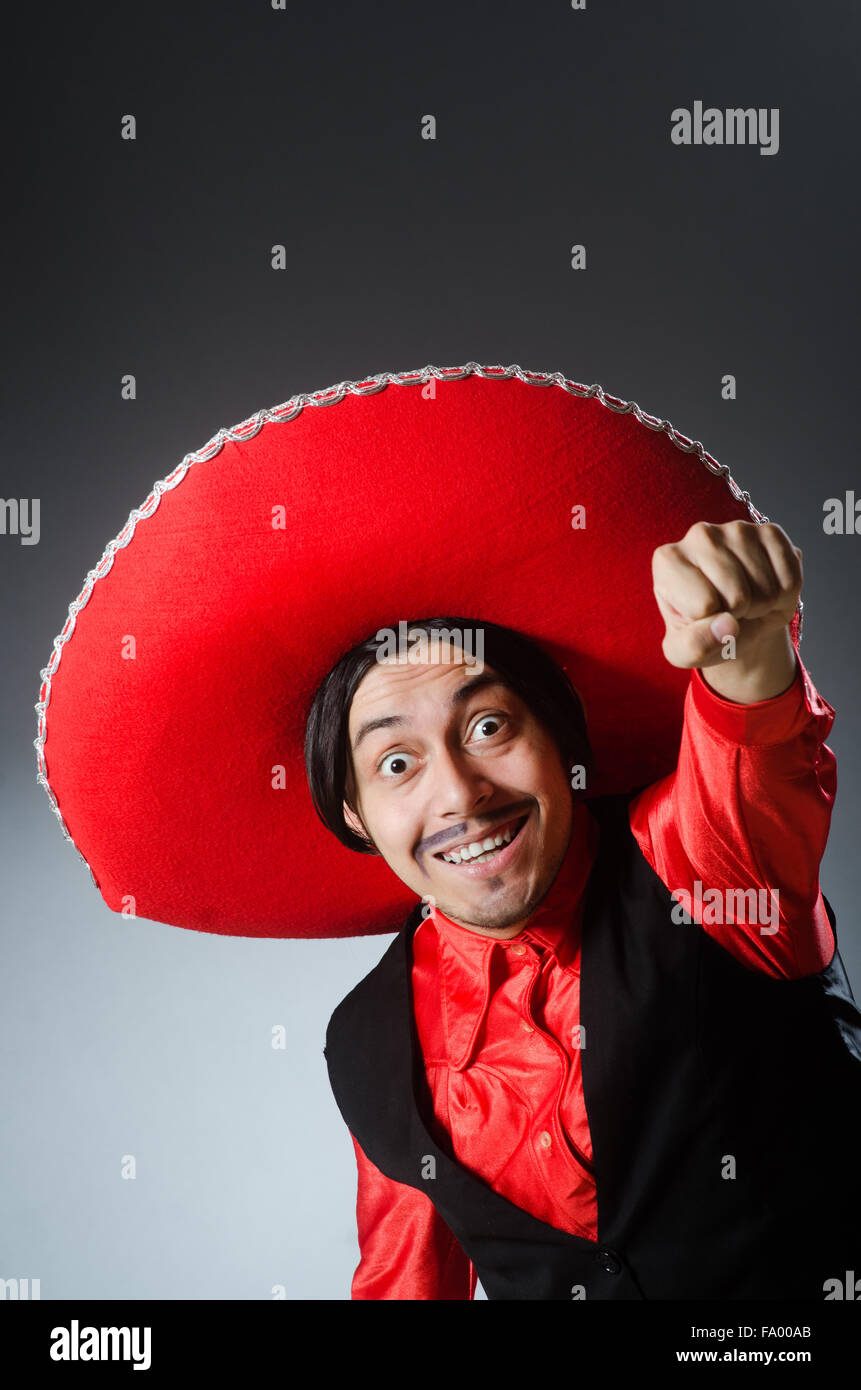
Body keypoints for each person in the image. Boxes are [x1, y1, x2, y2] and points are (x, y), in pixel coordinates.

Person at [311, 520, 861, 1300]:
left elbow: (752, 748)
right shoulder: (367, 1039)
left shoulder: (691, 864)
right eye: (396, 763)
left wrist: (748, 641)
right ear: (358, 815)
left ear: (560, 738)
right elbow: (405, 1284)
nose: (461, 794)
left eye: (489, 726)